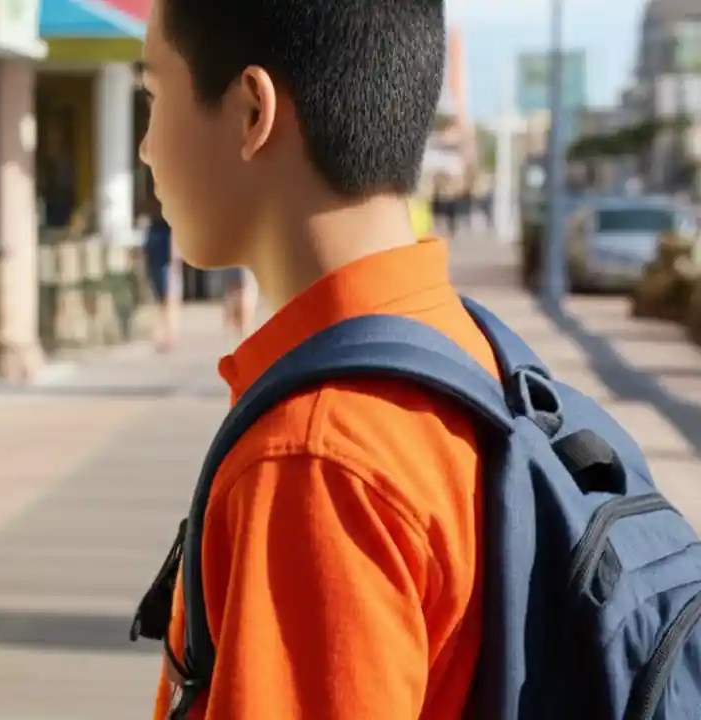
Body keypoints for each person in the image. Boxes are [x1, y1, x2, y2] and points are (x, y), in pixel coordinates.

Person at [137, 1, 496, 717]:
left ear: (251, 112)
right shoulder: (465, 348)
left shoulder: (315, 458)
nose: (145, 148)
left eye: (153, 97)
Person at [142, 197, 180, 352]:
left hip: (166, 265)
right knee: (163, 301)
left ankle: (169, 335)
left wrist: (175, 261)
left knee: (169, 300)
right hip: (158, 265)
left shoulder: (167, 226)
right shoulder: (153, 228)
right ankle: (165, 334)